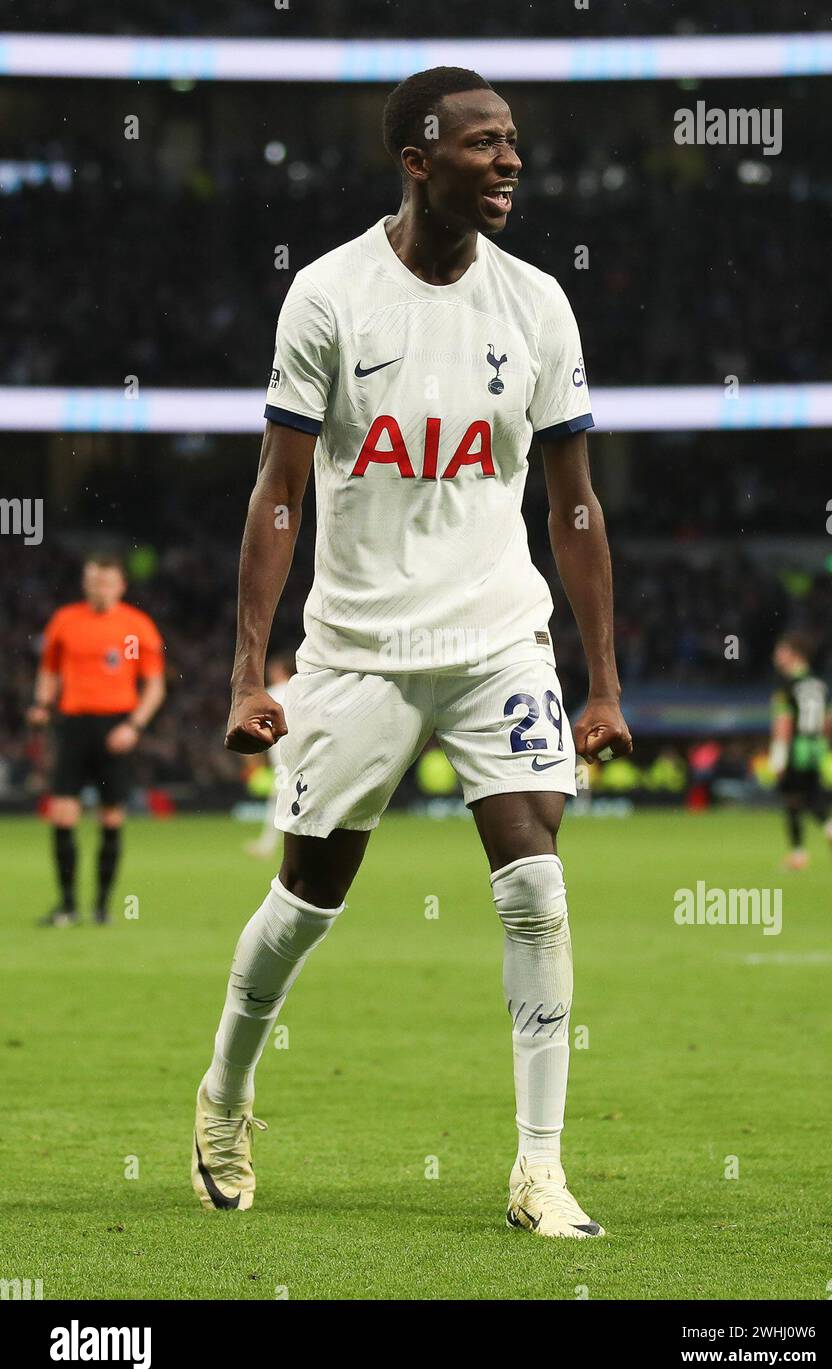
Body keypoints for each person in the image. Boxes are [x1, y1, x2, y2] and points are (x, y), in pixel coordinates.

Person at [192, 67, 632, 1237]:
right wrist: (250, 668)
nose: (509, 161)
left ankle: (537, 1167)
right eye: (483, 143)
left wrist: (601, 678)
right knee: (306, 897)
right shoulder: (329, 296)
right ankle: (226, 1090)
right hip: (359, 648)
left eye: (515, 143)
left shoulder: (537, 302)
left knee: (534, 881)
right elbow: (279, 492)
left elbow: (572, 505)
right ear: (417, 159)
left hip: (496, 633)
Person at [28, 554, 166, 925]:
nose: (98, 588)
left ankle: (102, 907)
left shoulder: (136, 628)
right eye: (92, 581)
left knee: (111, 816)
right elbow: (49, 670)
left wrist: (134, 726)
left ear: (121, 585)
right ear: (84, 583)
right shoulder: (65, 621)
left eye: (106, 582)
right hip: (73, 725)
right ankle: (68, 906)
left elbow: (154, 684)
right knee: (62, 814)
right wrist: (42, 704)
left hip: (116, 726)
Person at [770, 632, 832, 870]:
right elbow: (829, 720)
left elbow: (783, 723)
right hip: (816, 747)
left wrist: (779, 756)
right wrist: (822, 746)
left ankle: (798, 854)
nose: (776, 657)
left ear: (794, 655)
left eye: (780, 651)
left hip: (796, 747)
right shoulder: (821, 684)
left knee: (792, 799)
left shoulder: (787, 686)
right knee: (810, 794)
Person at [243, 653, 295, 859]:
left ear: (280, 671)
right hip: (308, 753)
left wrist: (254, 762)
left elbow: (252, 725)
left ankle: (267, 846)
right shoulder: (302, 690)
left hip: (282, 758)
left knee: (279, 800)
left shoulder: (271, 694)